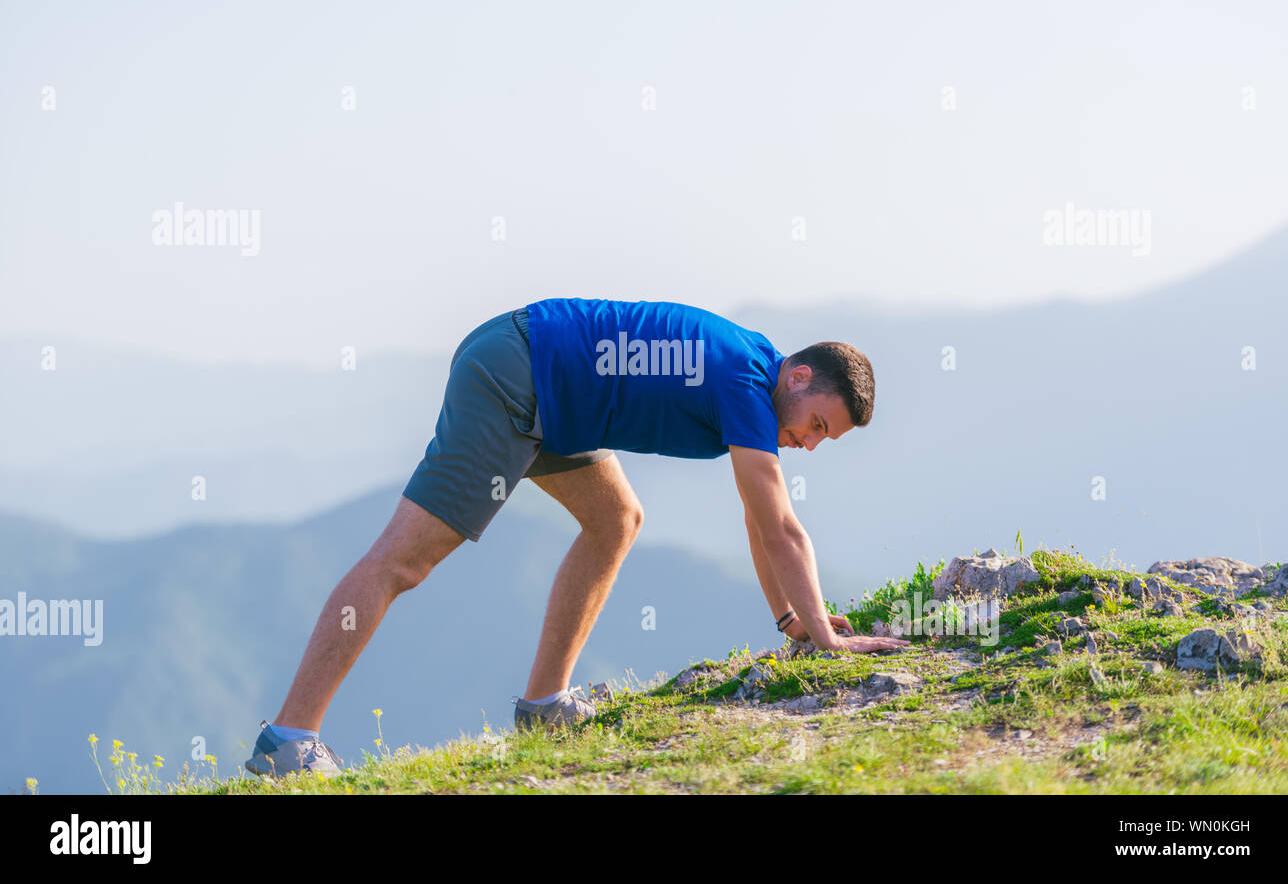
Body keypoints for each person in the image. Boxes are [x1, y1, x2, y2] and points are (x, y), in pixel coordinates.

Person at [244, 298, 907, 778]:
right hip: (516, 377)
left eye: (825, 437)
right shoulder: (746, 381)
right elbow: (780, 525)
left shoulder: (758, 373)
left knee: (616, 518)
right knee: (402, 561)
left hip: (549, 388)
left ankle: (545, 704)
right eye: (817, 423)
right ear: (798, 378)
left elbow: (758, 519)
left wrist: (793, 617)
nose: (811, 443)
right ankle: (290, 740)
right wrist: (826, 635)